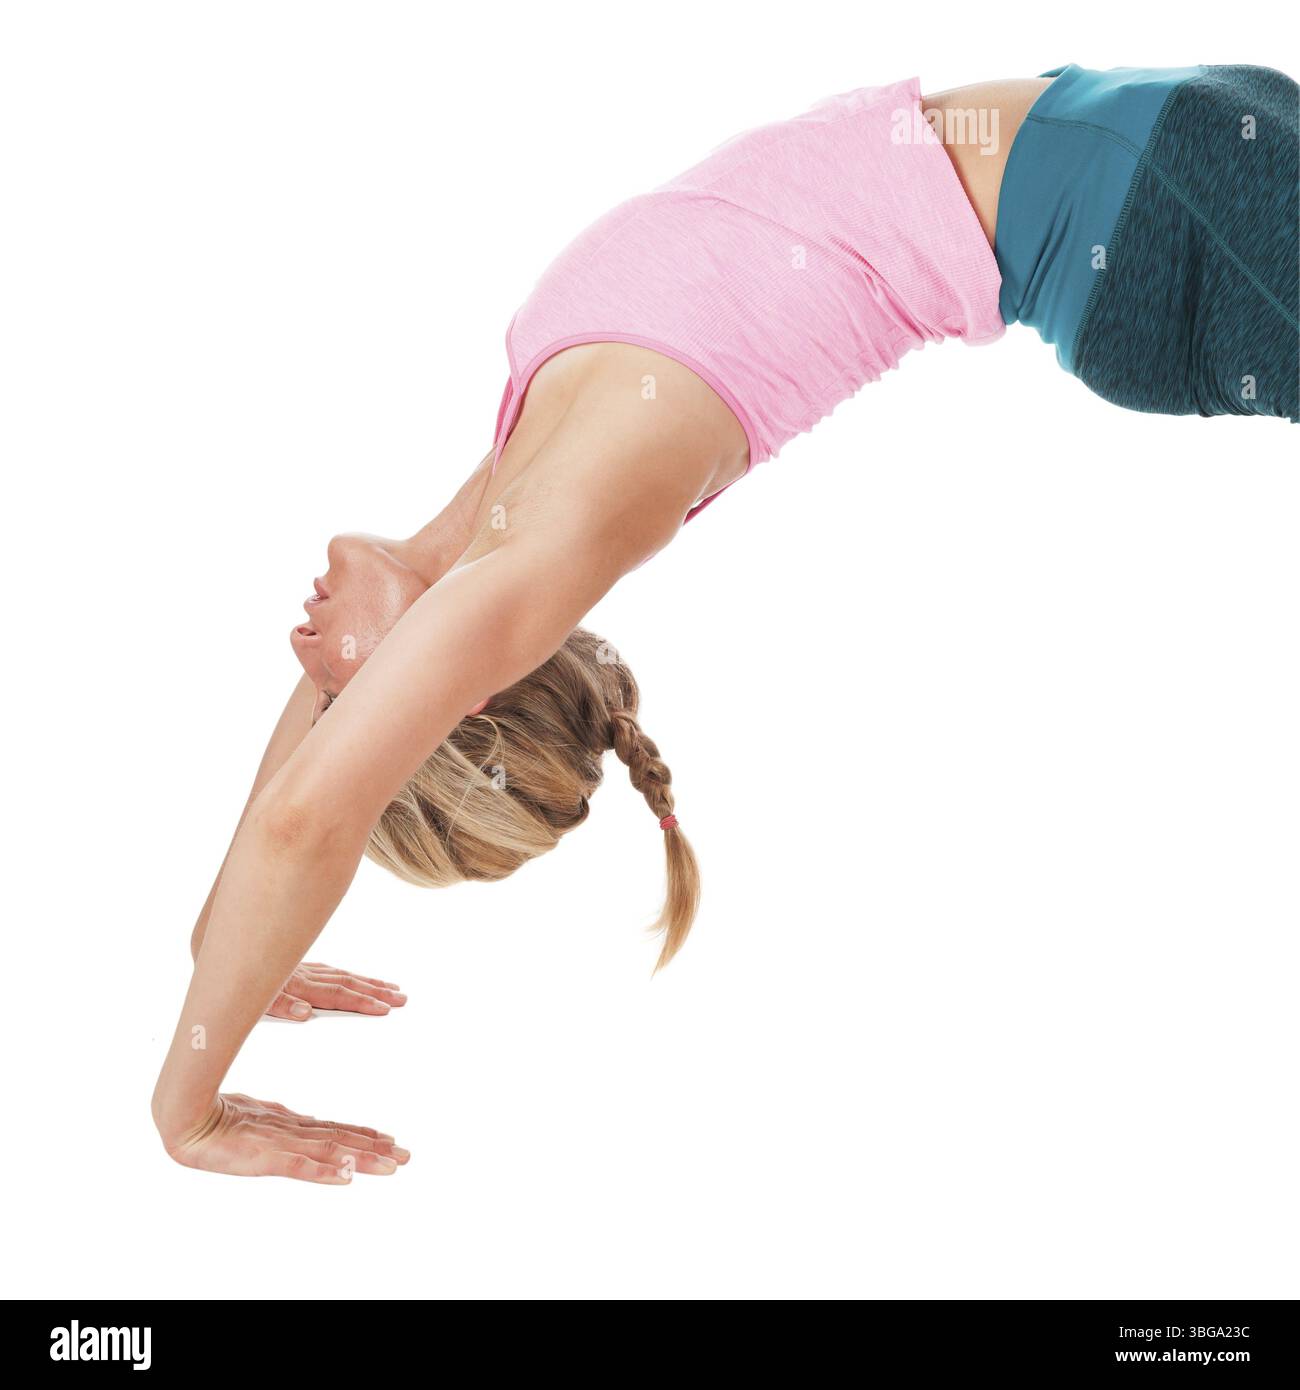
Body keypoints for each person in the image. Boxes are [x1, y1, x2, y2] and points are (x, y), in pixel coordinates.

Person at [153, 67, 1299, 1182]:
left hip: (1159, 140)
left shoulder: (512, 464)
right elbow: (307, 821)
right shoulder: (542, 543)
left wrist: (225, 946)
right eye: (342, 705)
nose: (300, 663)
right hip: (1164, 212)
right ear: (442, 689)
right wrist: (186, 1112)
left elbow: (301, 798)